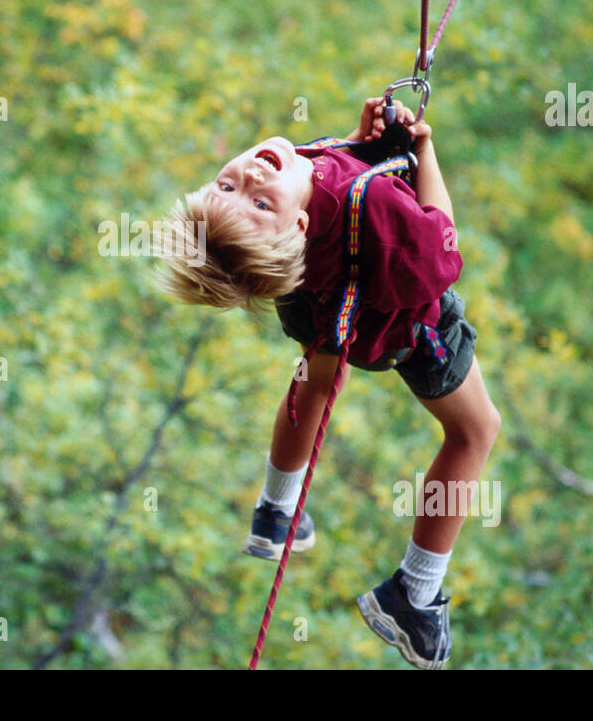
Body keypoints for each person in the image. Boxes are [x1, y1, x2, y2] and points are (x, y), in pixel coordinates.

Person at [155, 97, 501, 669]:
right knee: (476, 432)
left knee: (314, 382)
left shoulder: (296, 185)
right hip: (403, 325)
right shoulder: (377, 211)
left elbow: (335, 178)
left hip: (316, 305)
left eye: (227, 186)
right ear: (296, 229)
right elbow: (441, 250)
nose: (252, 175)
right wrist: (422, 151)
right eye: (257, 200)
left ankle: (276, 509)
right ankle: (415, 592)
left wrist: (364, 141)